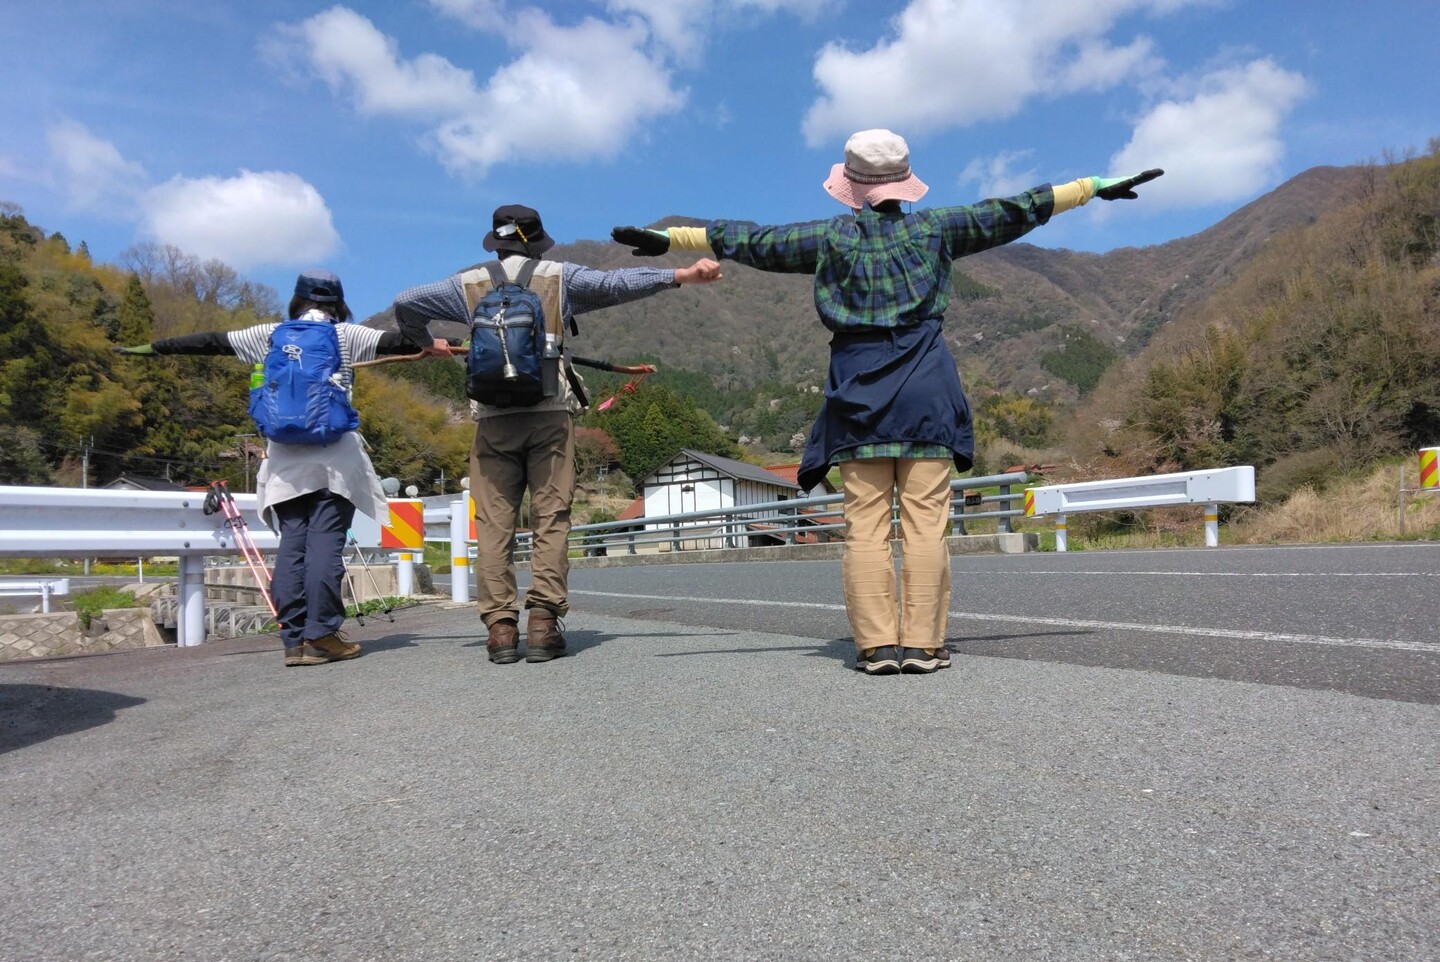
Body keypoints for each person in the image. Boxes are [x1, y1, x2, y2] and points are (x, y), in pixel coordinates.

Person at [613, 130, 1161, 675]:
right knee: (926, 525)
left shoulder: (829, 238)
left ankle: (877, 647)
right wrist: (1091, 186)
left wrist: (674, 240)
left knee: (867, 526)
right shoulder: (937, 228)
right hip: (927, 383)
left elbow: (755, 240)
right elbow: (1014, 210)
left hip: (857, 390)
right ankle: (923, 646)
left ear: (849, 184)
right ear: (905, 182)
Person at [393, 204, 723, 664]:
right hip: (549, 414)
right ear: (534, 240)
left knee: (494, 524)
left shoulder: (465, 284)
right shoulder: (558, 277)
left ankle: (501, 630)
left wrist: (426, 342)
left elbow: (407, 303)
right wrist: (680, 275)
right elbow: (614, 286)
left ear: (497, 240)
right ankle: (544, 623)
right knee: (551, 518)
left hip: (491, 420)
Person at [118, 269, 415, 667]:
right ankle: (323, 634)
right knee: (325, 544)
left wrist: (150, 347)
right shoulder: (347, 335)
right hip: (334, 460)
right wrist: (449, 343)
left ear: (298, 301)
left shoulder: (270, 334)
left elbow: (209, 342)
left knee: (293, 546)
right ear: (338, 304)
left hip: (284, 462)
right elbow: (405, 340)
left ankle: (293, 640)